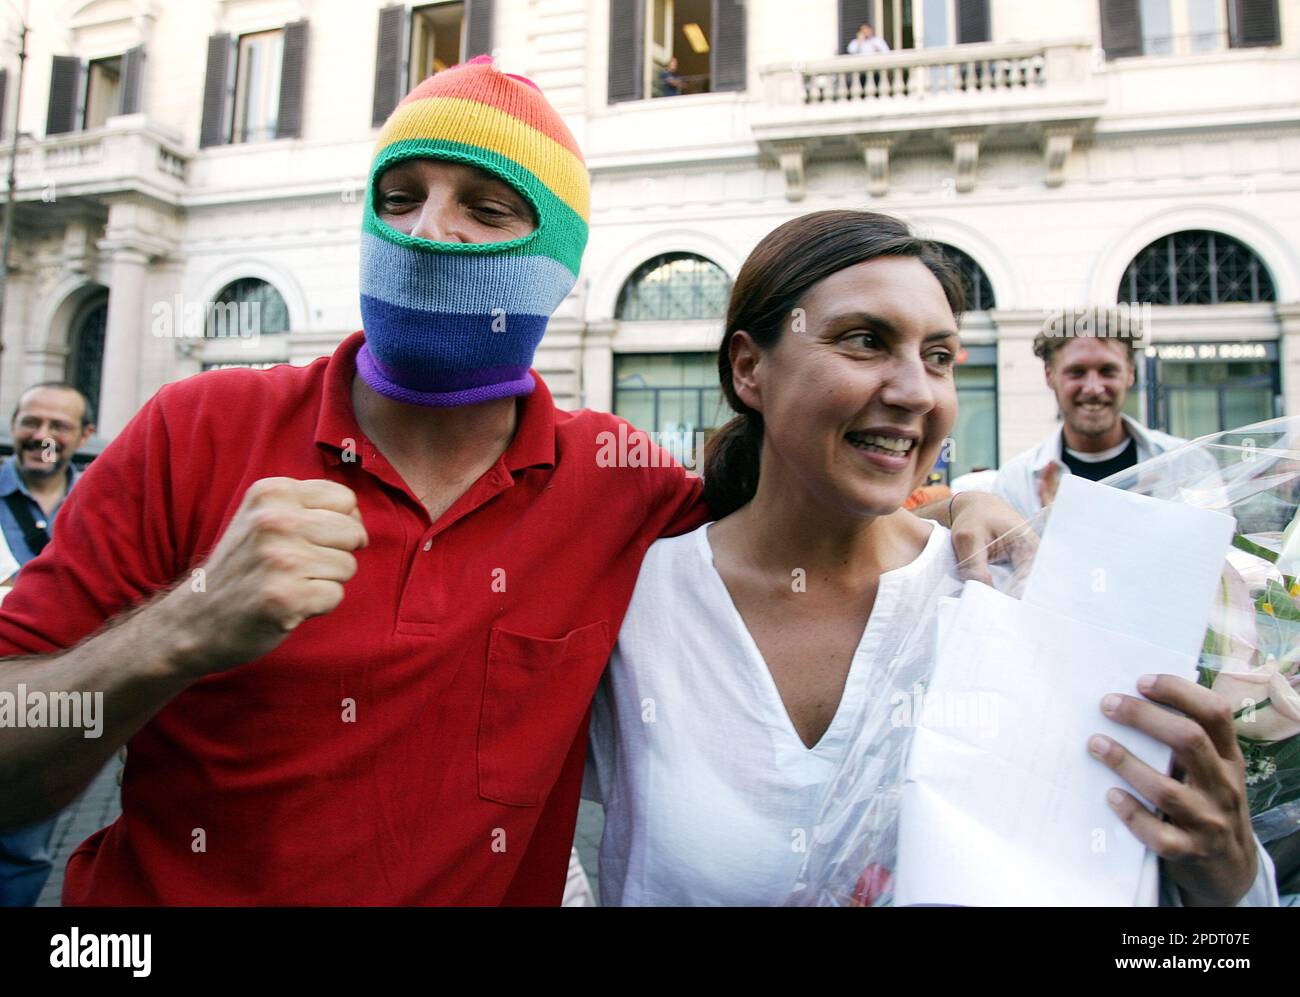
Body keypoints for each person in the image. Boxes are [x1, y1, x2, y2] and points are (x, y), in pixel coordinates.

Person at [0, 59, 1022, 905]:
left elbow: (792, 501)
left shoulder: (617, 486)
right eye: (399, 197)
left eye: (485, 208)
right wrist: (180, 629)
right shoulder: (194, 428)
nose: (429, 230)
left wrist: (952, 503)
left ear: (558, 266)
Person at [586, 210, 1276, 907]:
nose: (917, 390)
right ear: (749, 367)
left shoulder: (1008, 593)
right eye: (864, 341)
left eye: (939, 356)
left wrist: (1226, 870)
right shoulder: (629, 602)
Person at [0, 383, 94, 907]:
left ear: (84, 435)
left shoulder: (104, 499)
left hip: (52, 703)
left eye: (59, 426)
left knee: (23, 851)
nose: (42, 437)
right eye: (31, 422)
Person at [994, 324, 1184, 520]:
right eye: (1076, 372)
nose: (1093, 388)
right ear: (1049, 376)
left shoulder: (1184, 463)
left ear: (1130, 373)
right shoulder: (1016, 482)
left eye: (1107, 371)